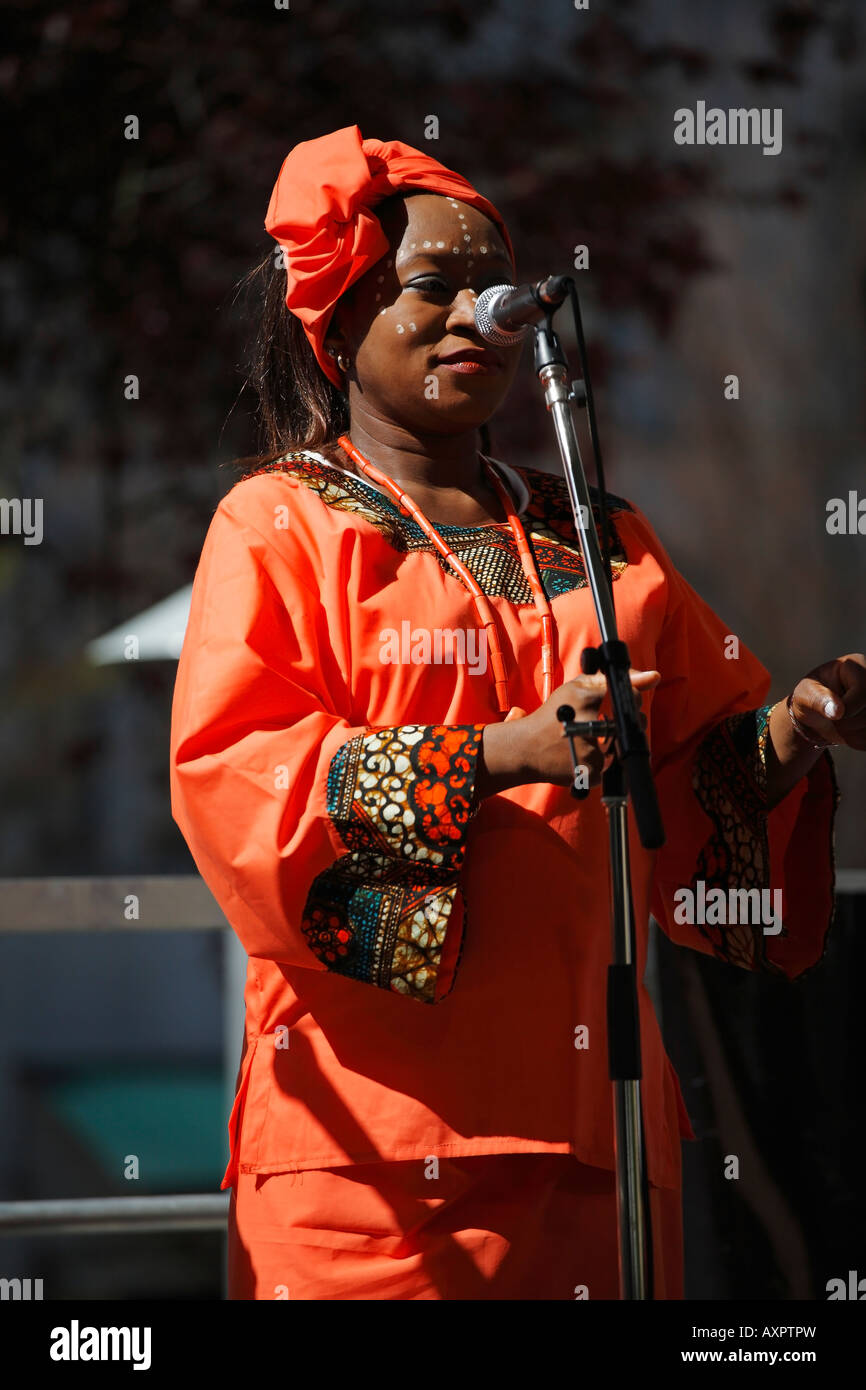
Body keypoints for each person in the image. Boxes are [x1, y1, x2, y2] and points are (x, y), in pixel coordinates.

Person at [169, 124, 864, 1301]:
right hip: (369, 1146)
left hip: (591, 1128)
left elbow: (693, 790)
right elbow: (240, 786)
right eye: (429, 287)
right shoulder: (276, 524)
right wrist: (496, 755)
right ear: (339, 315)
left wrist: (795, 724)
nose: (473, 316)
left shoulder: (597, 535)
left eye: (489, 291)